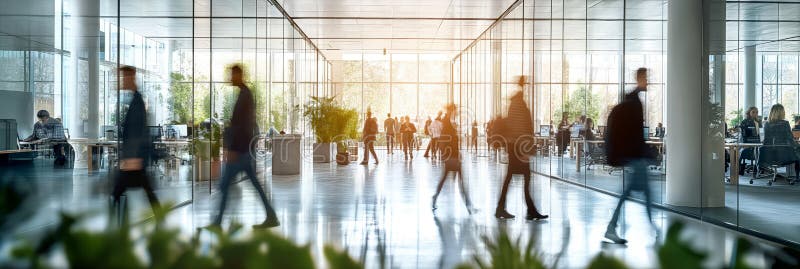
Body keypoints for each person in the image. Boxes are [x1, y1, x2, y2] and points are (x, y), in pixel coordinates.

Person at [208, 64, 279, 229]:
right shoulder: (244, 94)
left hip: (240, 151)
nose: (230, 78)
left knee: (225, 185)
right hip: (244, 150)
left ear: (239, 75)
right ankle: (271, 215)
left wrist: (233, 149)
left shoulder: (245, 95)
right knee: (253, 184)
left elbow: (244, 125)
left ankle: (217, 222)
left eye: (232, 75)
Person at [603, 67, 655, 244]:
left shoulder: (633, 100)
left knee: (633, 193)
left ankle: (613, 227)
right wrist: (644, 153)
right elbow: (635, 134)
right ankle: (655, 229)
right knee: (637, 193)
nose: (648, 81)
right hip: (635, 157)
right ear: (640, 78)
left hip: (634, 156)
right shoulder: (634, 103)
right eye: (646, 78)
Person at [112, 66, 161, 221]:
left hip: (134, 158)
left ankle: (116, 225)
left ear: (131, 78)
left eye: (124, 77)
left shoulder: (138, 102)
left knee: (118, 192)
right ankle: (160, 218)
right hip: (134, 157)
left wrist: (133, 157)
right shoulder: (136, 99)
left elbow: (137, 131)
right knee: (142, 190)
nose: (122, 81)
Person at [495, 76, 548, 221]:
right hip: (519, 147)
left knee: (513, 177)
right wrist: (527, 148)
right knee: (524, 177)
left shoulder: (515, 104)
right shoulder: (519, 104)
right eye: (526, 86)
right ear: (523, 87)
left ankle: (502, 208)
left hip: (515, 146)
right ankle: (529, 211)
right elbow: (521, 128)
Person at [432, 104, 474, 213]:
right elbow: (447, 140)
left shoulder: (448, 122)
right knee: (460, 180)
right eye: (455, 110)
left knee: (448, 178)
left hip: (451, 155)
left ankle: (435, 197)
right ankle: (468, 205)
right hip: (452, 155)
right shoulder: (448, 123)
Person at [761, 104, 800, 183]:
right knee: (798, 154)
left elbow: (765, 140)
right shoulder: (785, 123)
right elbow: (790, 139)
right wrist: (797, 145)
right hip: (783, 155)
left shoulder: (766, 124)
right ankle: (797, 177)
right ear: (781, 112)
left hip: (769, 155)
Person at [738, 107, 761, 176]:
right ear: (749, 113)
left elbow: (761, 134)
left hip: (758, 142)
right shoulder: (745, 122)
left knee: (761, 149)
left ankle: (759, 167)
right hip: (748, 142)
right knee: (745, 150)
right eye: (753, 112)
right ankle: (742, 167)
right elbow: (744, 135)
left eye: (757, 112)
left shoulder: (758, 122)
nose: (755, 114)